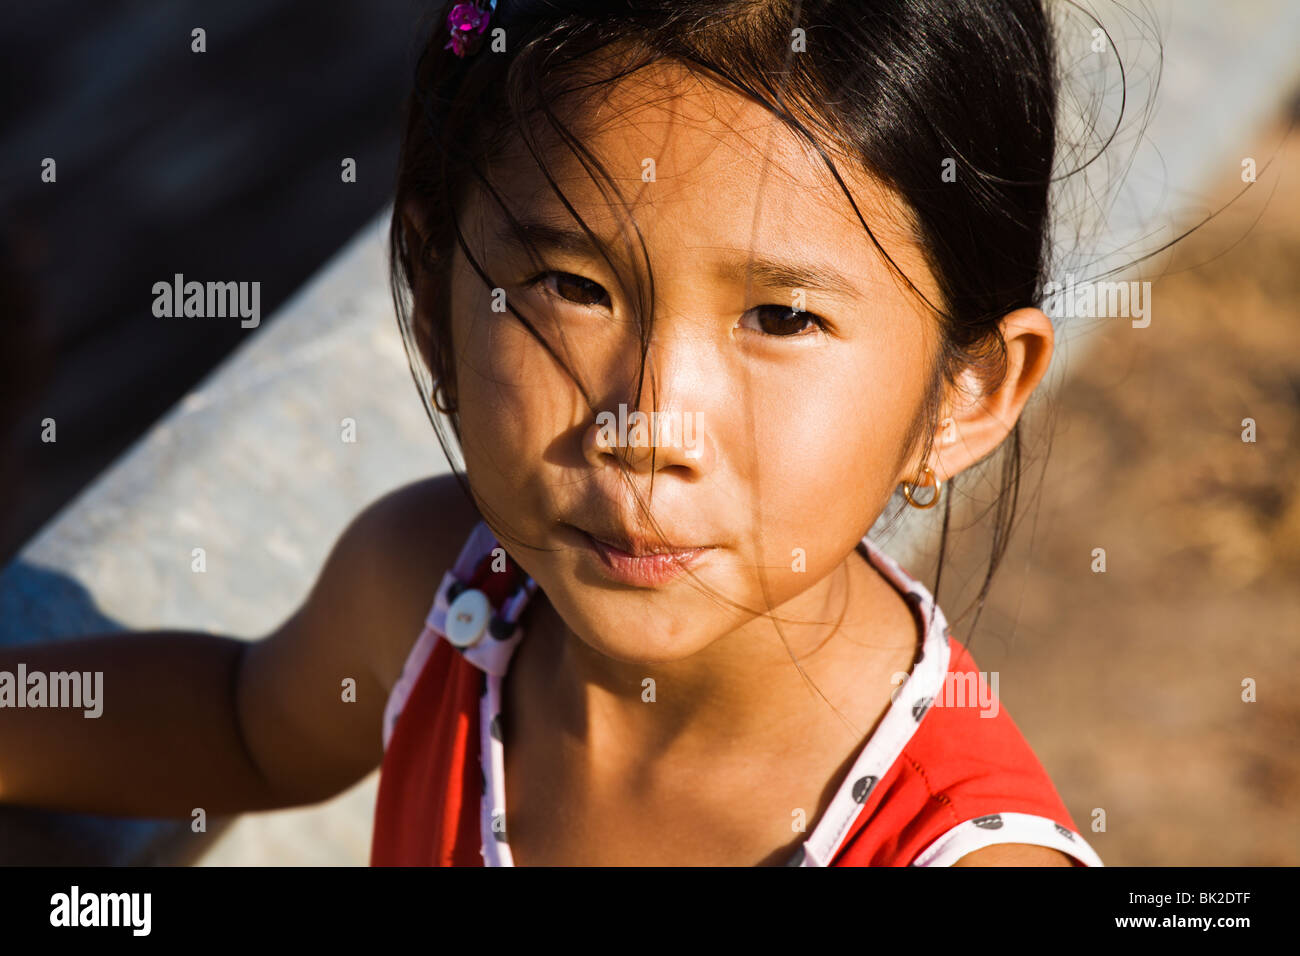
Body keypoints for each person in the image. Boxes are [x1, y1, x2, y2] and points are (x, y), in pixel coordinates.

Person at [2, 0, 1111, 866]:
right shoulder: (434, 598)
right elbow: (247, 721)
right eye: (570, 286)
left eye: (780, 317)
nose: (648, 423)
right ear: (437, 302)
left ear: (967, 389)